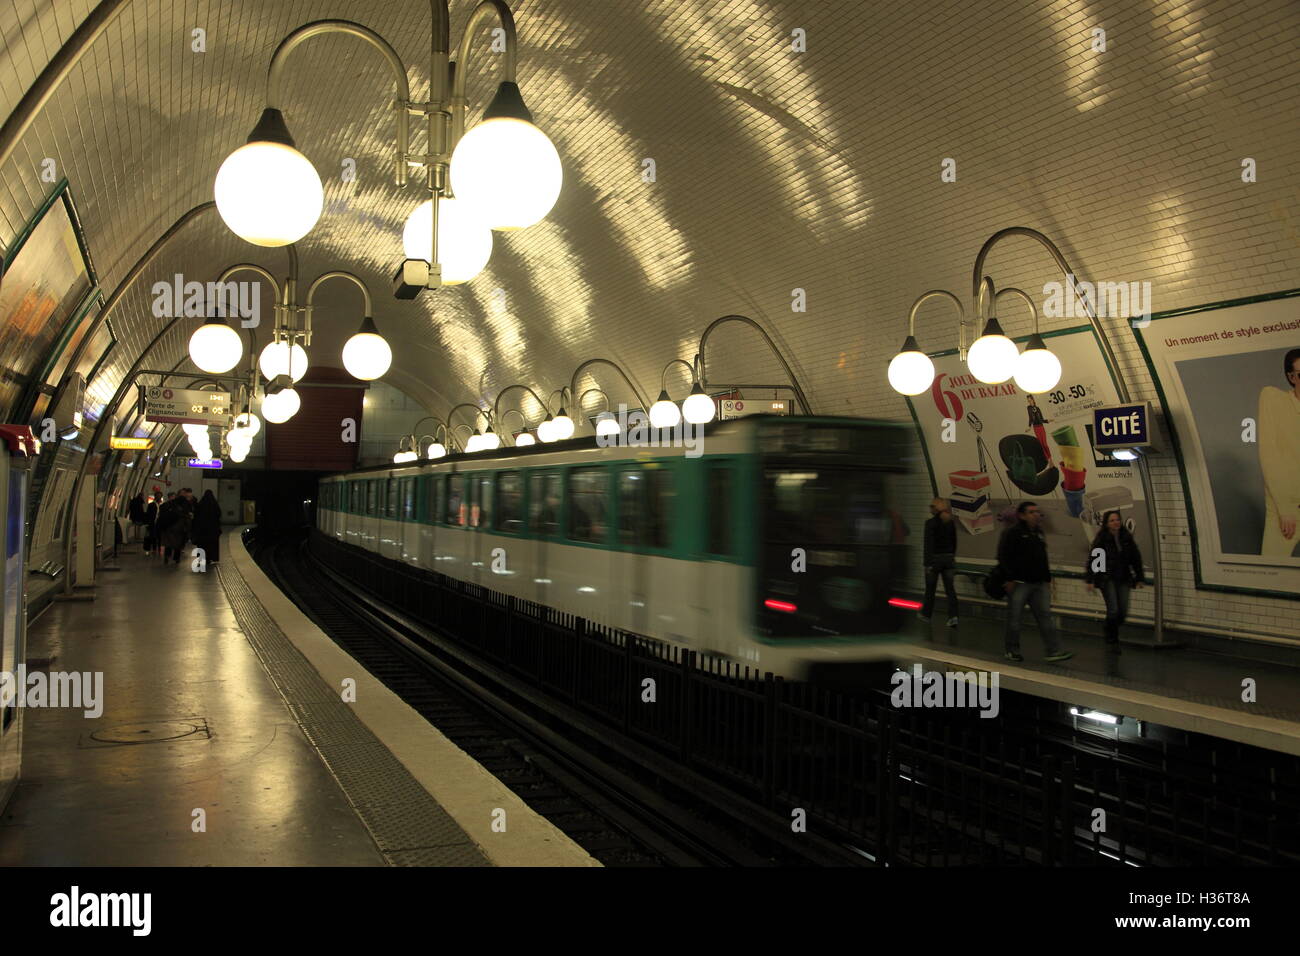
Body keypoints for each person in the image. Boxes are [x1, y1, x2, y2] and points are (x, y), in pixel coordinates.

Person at [996, 501, 1073, 663]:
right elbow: (1003, 557)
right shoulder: (1012, 533)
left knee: (1045, 617)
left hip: (1039, 583)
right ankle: (1011, 650)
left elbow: (1042, 557)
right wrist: (1009, 579)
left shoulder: (1038, 532)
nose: (1036, 514)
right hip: (1019, 583)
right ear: (1022, 515)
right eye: (1031, 512)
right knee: (1015, 618)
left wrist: (1047, 578)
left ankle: (1053, 651)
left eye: (1037, 512)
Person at [1258, 348, 1300, 558]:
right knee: (1272, 568)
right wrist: (1285, 509)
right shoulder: (1273, 399)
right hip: (1287, 508)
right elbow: (1269, 456)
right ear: (1291, 377)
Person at [1084, 509, 1145, 650]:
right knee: (1113, 610)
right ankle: (1112, 639)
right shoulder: (1101, 539)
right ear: (1106, 524)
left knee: (1123, 612)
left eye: (1117, 519)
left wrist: (1139, 577)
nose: (1116, 522)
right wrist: (1090, 579)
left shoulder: (1126, 537)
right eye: (1112, 520)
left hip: (1123, 577)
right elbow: (1094, 559)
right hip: (1107, 578)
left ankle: (1109, 627)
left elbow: (1135, 558)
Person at [920, 497, 959, 626]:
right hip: (948, 559)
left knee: (930, 589)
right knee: (950, 590)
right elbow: (954, 542)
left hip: (934, 560)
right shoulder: (950, 523)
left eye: (931, 506)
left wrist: (927, 564)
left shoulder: (930, 523)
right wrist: (951, 556)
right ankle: (953, 617)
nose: (930, 509)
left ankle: (926, 615)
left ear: (935, 508)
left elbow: (928, 545)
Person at [191, 490, 222, 565]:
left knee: (202, 545)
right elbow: (219, 515)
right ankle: (210, 558)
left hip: (201, 530)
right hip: (212, 530)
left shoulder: (200, 505)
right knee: (211, 545)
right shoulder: (215, 505)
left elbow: (196, 517)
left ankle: (201, 559)